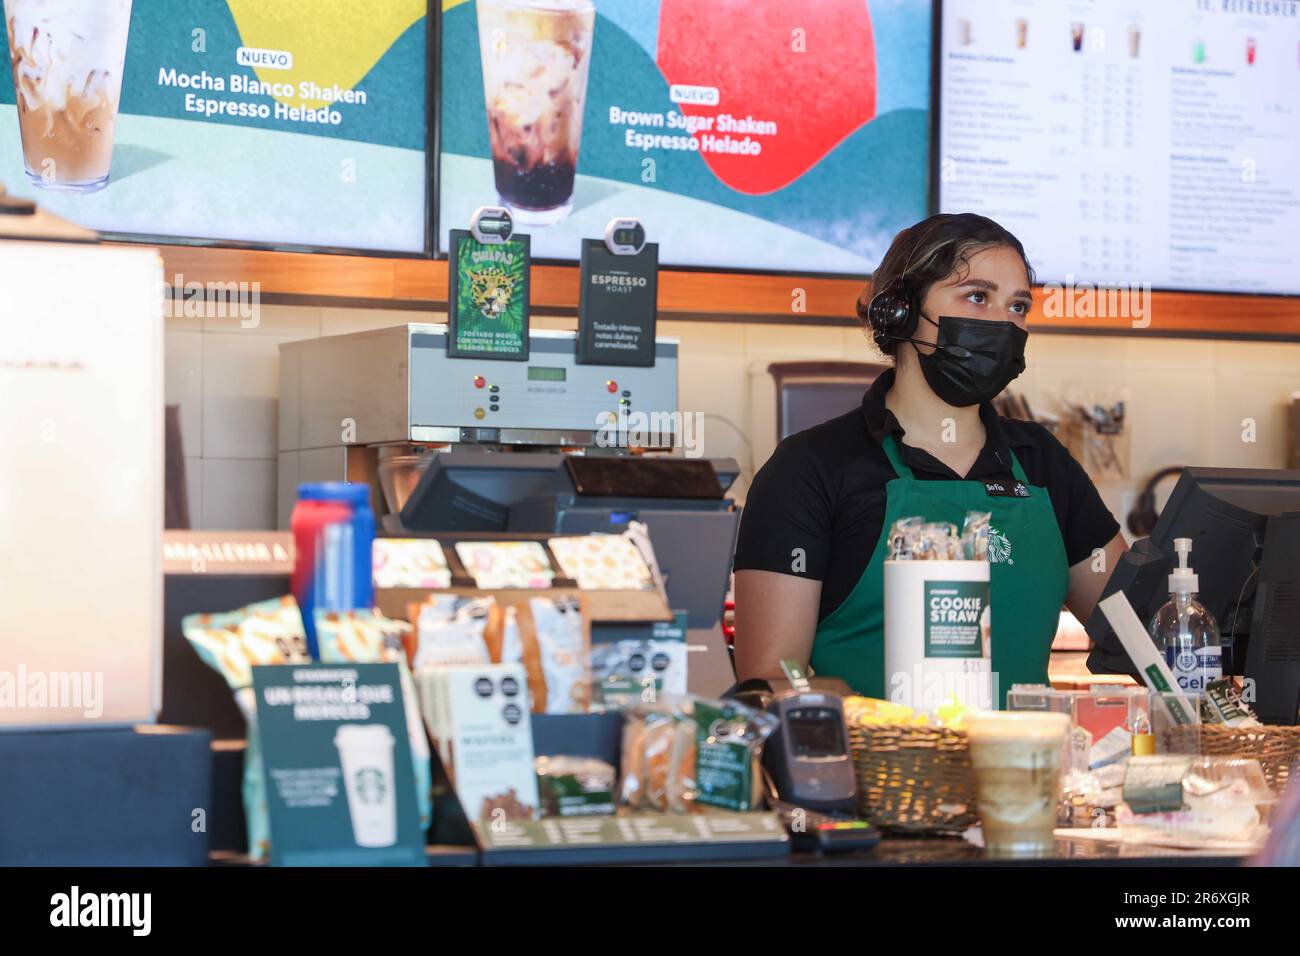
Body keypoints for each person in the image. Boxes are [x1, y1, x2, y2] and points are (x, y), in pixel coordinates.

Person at [732, 213, 1126, 700]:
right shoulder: (810, 468)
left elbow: (1133, 632)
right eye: (977, 296)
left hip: (1027, 750)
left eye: (1018, 306)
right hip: (875, 750)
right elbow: (771, 683)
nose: (1004, 323)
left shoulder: (1042, 461)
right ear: (900, 311)